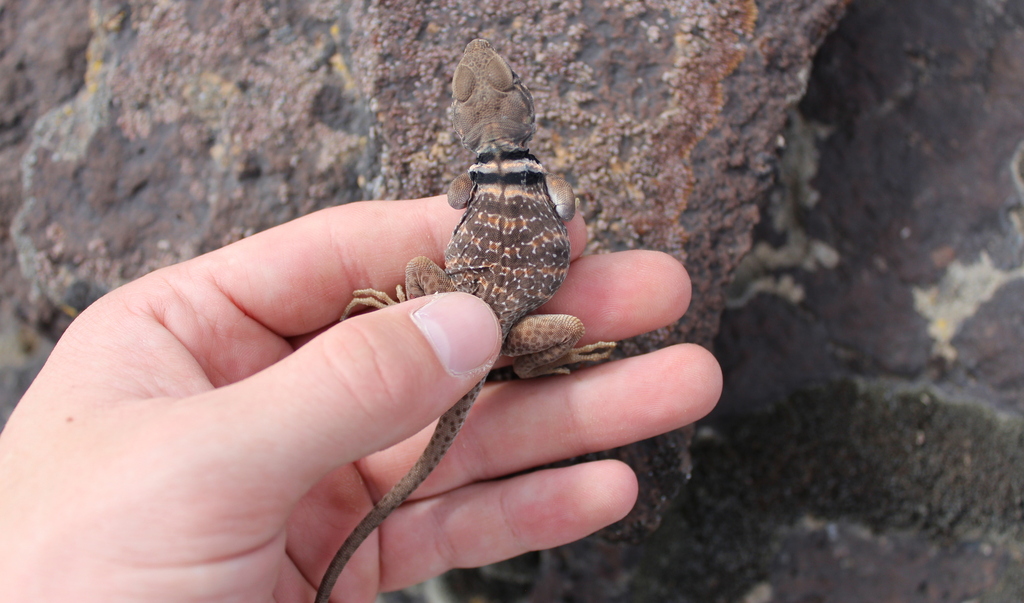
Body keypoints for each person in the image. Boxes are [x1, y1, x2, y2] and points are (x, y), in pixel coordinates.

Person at [0, 196, 721, 602]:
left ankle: (513, 354)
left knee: (447, 288)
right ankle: (514, 355)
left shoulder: (490, 185)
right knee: (451, 292)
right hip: (494, 331)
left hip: (495, 326)